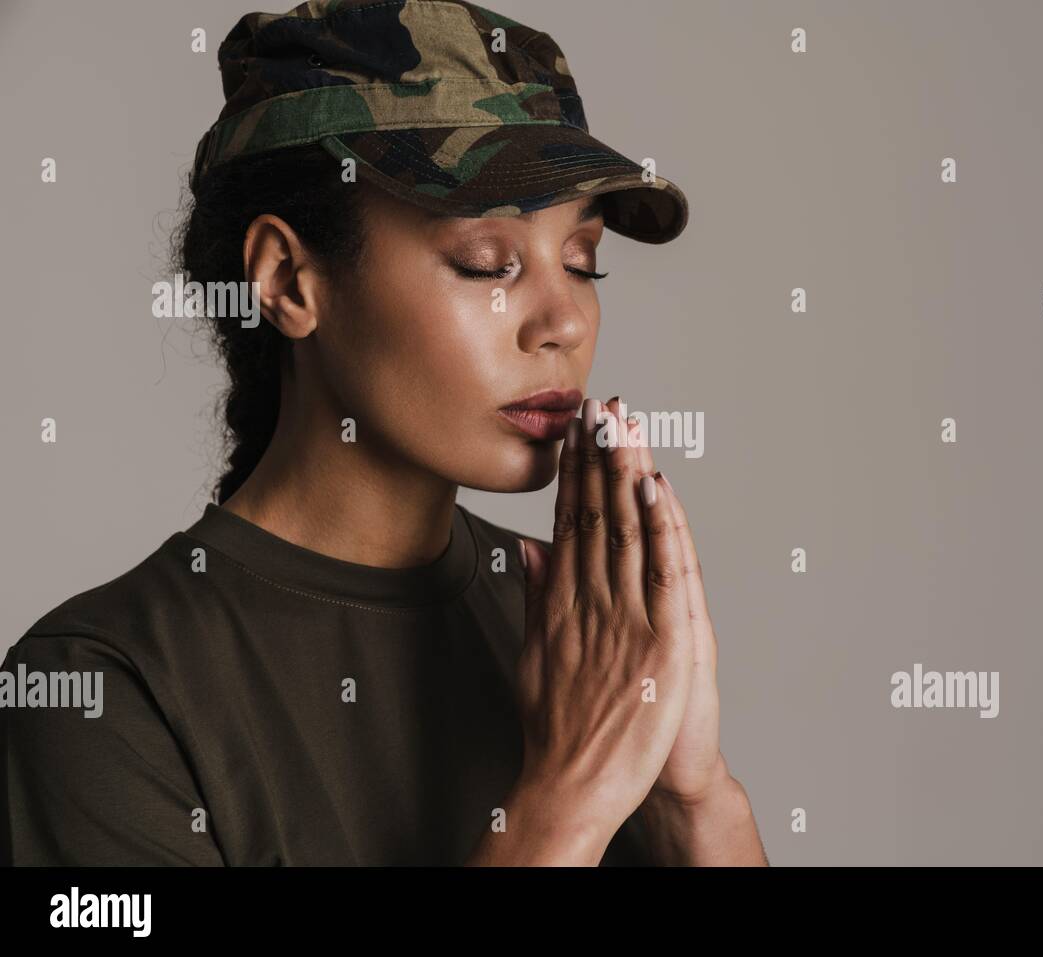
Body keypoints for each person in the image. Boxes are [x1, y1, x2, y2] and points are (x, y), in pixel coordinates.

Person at [0, 0, 767, 866]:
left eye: (583, 261)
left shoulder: (581, 627)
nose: (566, 321)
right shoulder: (100, 692)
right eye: (489, 262)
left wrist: (693, 798)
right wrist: (564, 804)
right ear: (288, 279)